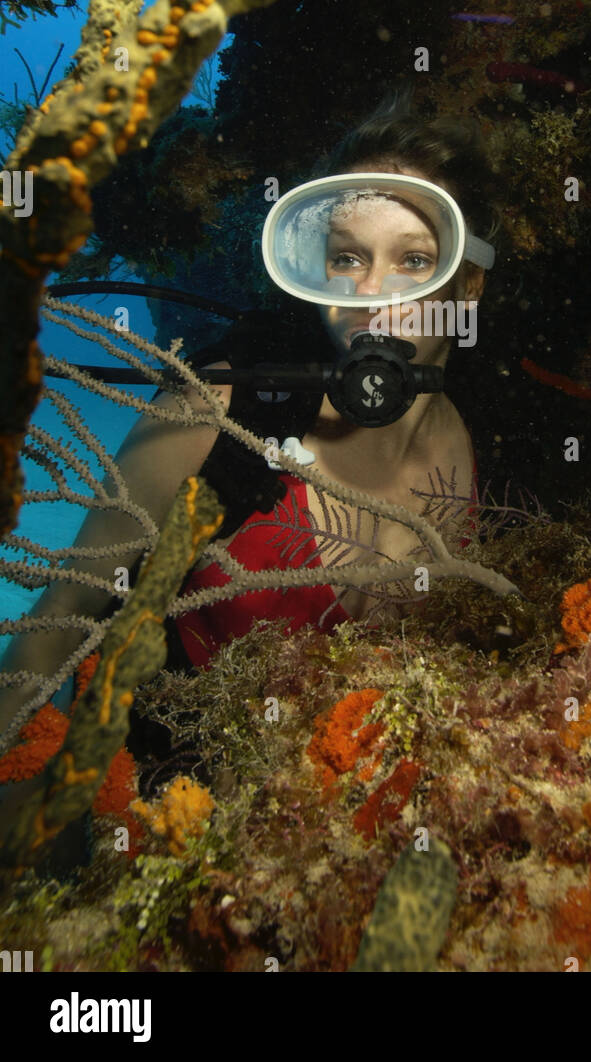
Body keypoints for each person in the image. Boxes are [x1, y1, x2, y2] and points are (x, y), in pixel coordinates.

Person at [0, 100, 499, 749]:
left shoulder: (493, 442)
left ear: (468, 286)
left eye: (413, 261)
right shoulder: (217, 410)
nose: (369, 297)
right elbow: (61, 617)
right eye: (347, 259)